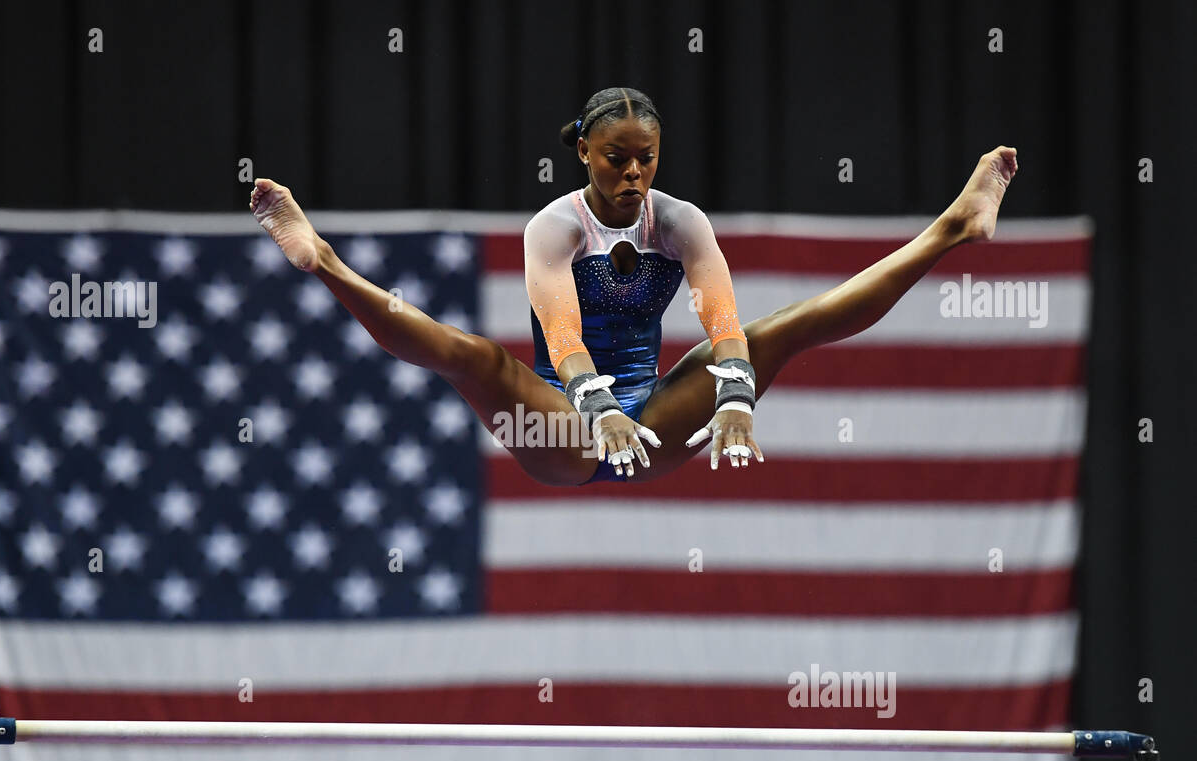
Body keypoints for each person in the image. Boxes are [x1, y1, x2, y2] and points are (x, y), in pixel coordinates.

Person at [250, 86, 1017, 485]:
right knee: (474, 358)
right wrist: (597, 413)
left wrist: (737, 400)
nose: (633, 173)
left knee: (780, 331)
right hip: (559, 428)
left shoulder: (680, 223)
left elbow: (721, 322)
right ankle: (327, 263)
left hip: (650, 423)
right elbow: (562, 338)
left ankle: (951, 226)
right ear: (583, 150)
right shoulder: (554, 228)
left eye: (646, 157)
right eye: (616, 157)